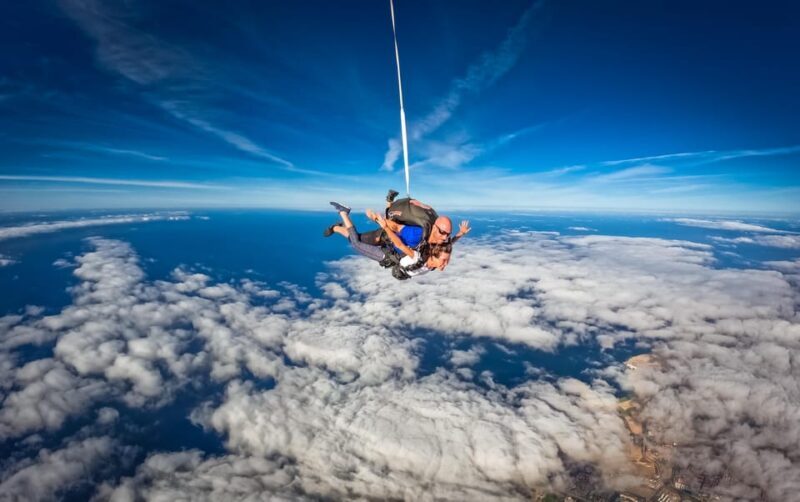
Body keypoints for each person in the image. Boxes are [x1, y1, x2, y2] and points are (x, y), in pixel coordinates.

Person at [327, 201, 450, 280]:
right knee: (356, 242)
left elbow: (445, 249)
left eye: (447, 235)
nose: (445, 237)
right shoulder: (417, 237)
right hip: (388, 248)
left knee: (356, 237)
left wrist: (460, 234)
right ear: (434, 227)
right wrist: (377, 220)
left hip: (391, 246)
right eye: (442, 233)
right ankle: (343, 212)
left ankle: (336, 228)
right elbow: (398, 235)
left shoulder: (437, 251)